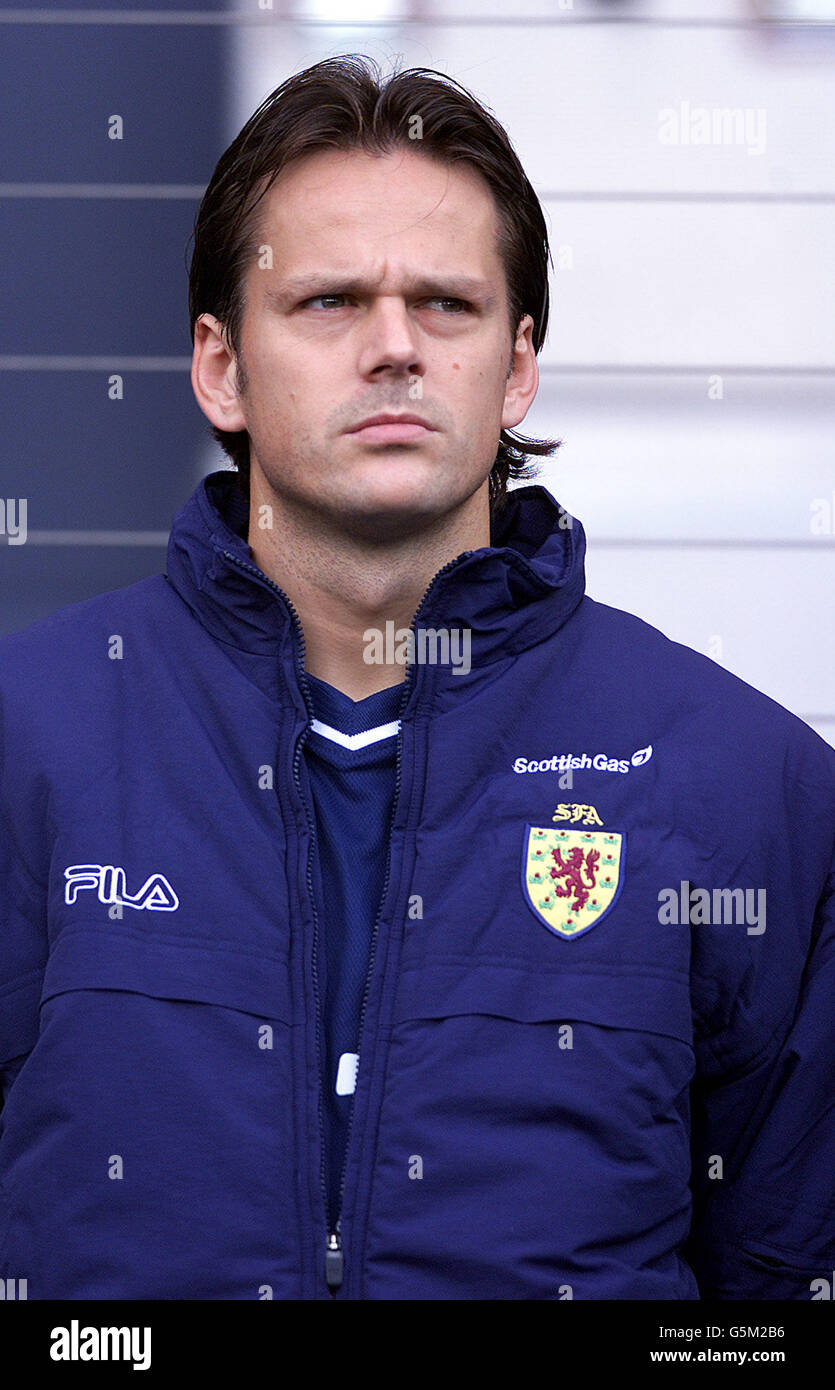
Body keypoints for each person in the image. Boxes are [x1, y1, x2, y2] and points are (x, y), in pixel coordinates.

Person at [0, 54, 832, 1301]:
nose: (394, 348)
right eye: (329, 302)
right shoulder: (29, 739)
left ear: (517, 366)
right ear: (220, 366)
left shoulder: (745, 784)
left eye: (445, 304)